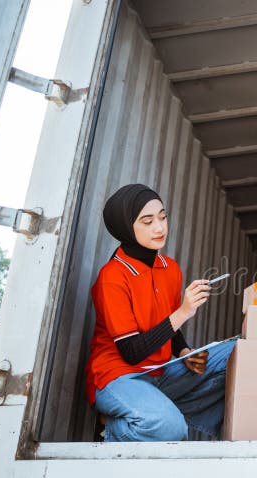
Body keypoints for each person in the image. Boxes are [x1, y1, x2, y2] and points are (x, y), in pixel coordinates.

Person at [85, 183, 234, 441]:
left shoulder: (170, 268)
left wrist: (185, 352)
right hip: (118, 377)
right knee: (172, 429)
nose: (160, 227)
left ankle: (154, 411)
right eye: (147, 221)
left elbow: (166, 326)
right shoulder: (112, 277)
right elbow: (131, 353)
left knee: (236, 351)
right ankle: (112, 426)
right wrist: (185, 311)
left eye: (163, 217)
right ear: (126, 227)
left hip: (161, 371)